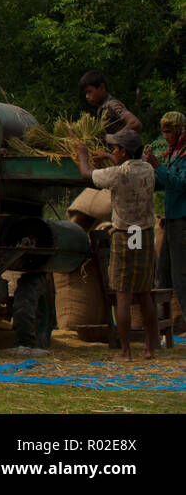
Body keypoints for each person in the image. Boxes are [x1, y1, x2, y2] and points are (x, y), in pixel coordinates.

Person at [76, 129, 157, 360]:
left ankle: (126, 351)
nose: (112, 151)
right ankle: (149, 349)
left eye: (115, 149)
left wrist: (83, 153)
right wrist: (109, 157)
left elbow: (86, 173)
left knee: (122, 294)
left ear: (123, 151)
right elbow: (130, 165)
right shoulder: (148, 170)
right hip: (143, 233)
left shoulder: (116, 174)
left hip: (125, 233)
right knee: (143, 293)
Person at [145, 111, 186, 328]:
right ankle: (163, 324)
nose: (166, 135)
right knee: (163, 272)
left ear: (180, 130)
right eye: (163, 131)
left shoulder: (185, 154)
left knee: (181, 275)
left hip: (182, 220)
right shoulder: (173, 153)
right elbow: (165, 184)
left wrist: (157, 167)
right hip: (171, 219)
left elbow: (180, 184)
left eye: (169, 131)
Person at [79, 70, 142, 135]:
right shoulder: (102, 109)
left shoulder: (111, 105)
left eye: (89, 92)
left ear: (102, 88)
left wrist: (113, 139)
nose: (87, 96)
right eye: (85, 93)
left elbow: (135, 123)